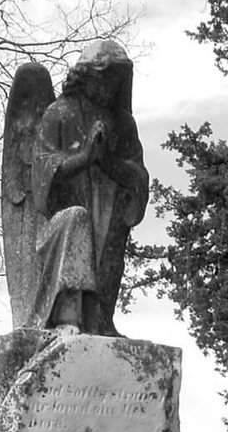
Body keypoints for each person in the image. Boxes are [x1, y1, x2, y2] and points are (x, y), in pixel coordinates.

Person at [27, 39, 149, 334]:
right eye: (103, 81)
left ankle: (100, 320)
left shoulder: (123, 123)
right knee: (77, 219)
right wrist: (84, 158)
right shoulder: (60, 113)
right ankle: (67, 316)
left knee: (109, 245)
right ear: (86, 78)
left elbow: (137, 175)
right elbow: (43, 169)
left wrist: (105, 160)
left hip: (108, 215)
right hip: (63, 226)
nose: (108, 90)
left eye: (115, 83)